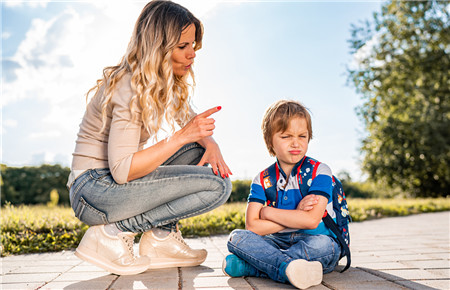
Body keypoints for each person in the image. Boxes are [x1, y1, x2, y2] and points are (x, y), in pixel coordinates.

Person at [67, 0, 232, 276]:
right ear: (159, 48)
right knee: (218, 186)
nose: (192, 54)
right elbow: (122, 171)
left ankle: (161, 239)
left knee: (196, 148)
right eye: (183, 47)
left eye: (194, 46)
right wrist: (180, 137)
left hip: (105, 185)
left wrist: (211, 144)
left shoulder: (157, 82)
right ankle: (113, 233)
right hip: (92, 190)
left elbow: (190, 124)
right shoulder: (129, 85)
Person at [222, 100, 341, 289]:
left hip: (315, 240)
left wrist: (268, 212)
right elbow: (252, 226)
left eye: (302, 136)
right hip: (276, 242)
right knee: (237, 237)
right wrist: (297, 214)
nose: (296, 143)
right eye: (286, 136)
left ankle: (255, 267)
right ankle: (288, 268)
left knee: (323, 247)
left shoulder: (320, 171)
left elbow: (311, 221)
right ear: (270, 141)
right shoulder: (261, 179)